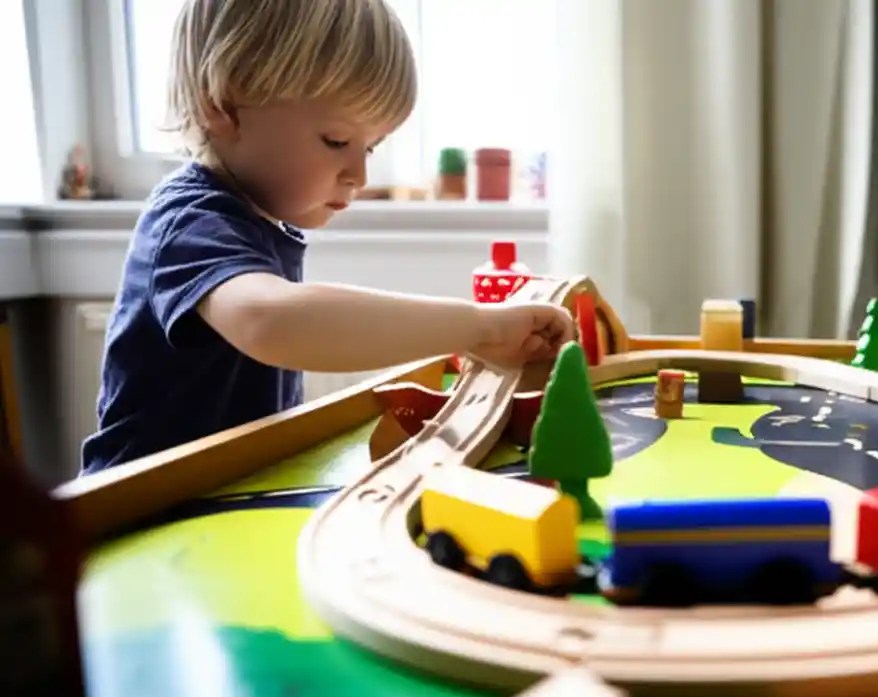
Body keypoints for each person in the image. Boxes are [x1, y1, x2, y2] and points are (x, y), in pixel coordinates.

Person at [79, 0, 573, 475]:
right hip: (138, 510)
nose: (358, 173)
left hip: (218, 492)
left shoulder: (257, 218)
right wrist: (478, 328)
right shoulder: (189, 219)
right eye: (337, 141)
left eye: (371, 147)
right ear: (224, 104)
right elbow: (267, 319)